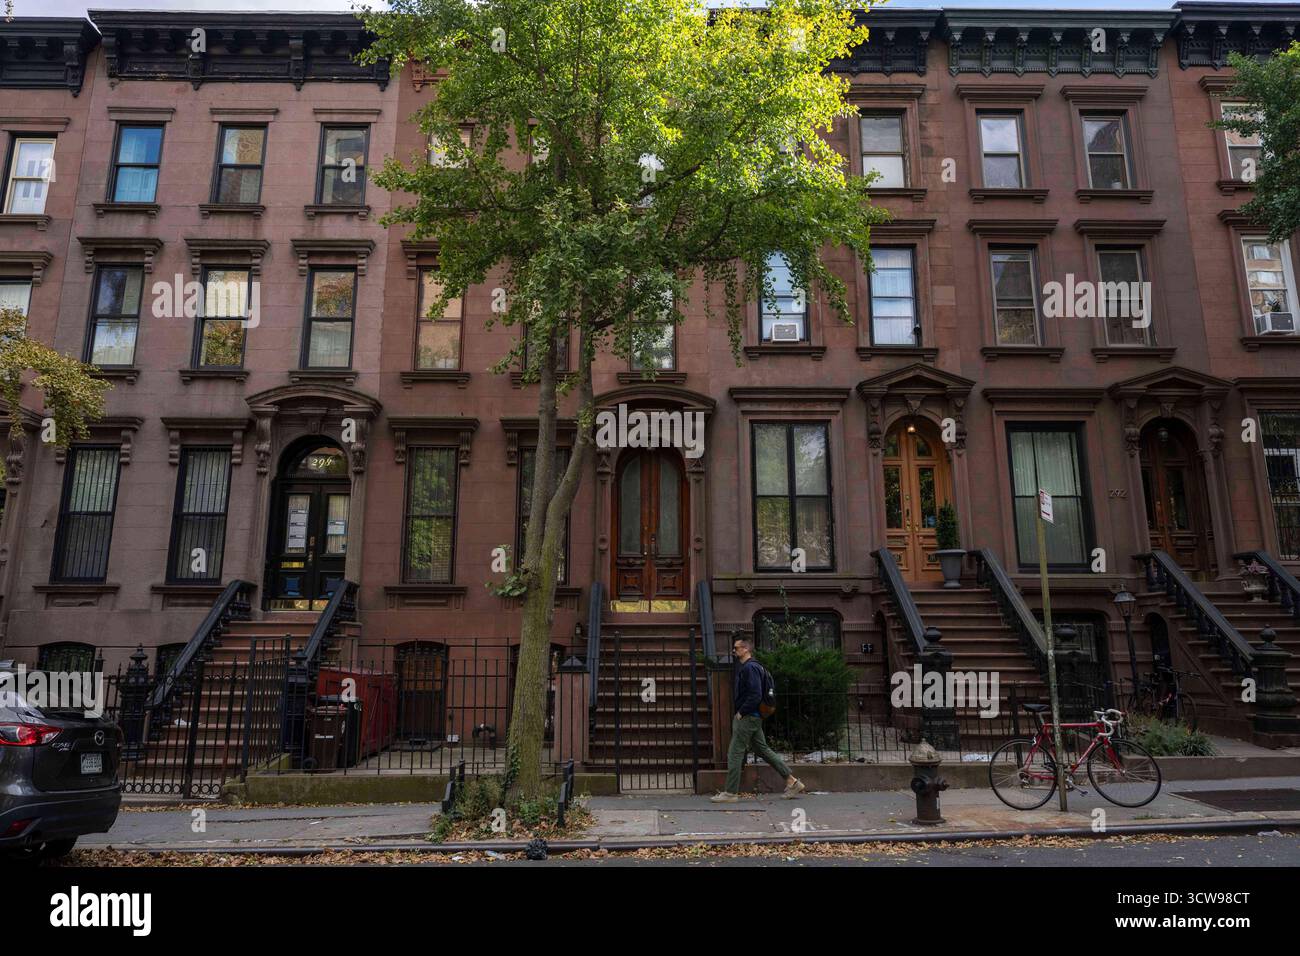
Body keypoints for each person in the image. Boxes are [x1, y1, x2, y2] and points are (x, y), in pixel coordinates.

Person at [710, 636, 806, 802]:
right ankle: (793, 782)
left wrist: (741, 712)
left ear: (746, 649)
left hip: (748, 717)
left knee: (734, 753)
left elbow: (755, 694)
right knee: (762, 750)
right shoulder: (755, 667)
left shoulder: (750, 668)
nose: (734, 651)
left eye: (736, 648)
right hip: (754, 717)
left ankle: (730, 793)